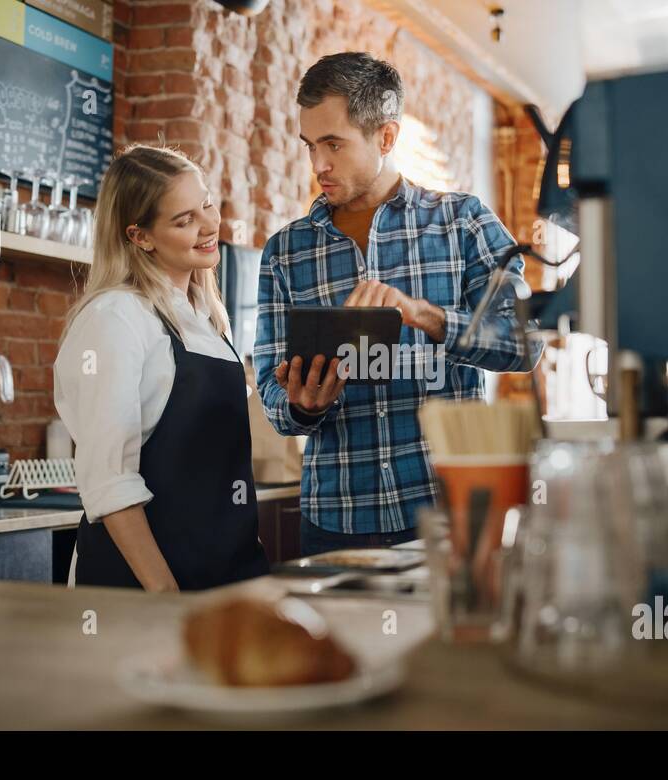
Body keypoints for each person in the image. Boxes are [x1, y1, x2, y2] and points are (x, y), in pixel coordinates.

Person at [253, 52, 541, 556]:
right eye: (310, 145)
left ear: (385, 137)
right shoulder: (286, 251)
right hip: (336, 521)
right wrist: (301, 405)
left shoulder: (463, 223)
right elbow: (270, 392)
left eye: (334, 145)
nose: (318, 164)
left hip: (449, 516)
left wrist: (424, 316)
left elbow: (525, 343)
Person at [55, 145, 269, 590]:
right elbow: (109, 483)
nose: (209, 225)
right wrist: (166, 596)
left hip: (223, 578)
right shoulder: (115, 317)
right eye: (184, 219)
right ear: (141, 237)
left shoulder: (207, 319)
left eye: (206, 203)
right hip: (140, 592)